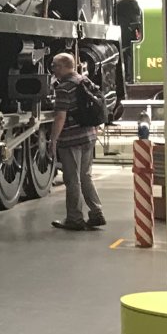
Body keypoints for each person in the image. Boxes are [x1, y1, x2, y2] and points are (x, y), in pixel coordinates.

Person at [48, 52, 105, 231]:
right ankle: (96, 213)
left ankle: (74, 218)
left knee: (72, 180)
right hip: (88, 136)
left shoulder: (64, 88)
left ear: (65, 66)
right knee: (85, 177)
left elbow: (60, 117)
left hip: (71, 139)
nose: (53, 70)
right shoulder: (84, 81)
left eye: (55, 66)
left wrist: (53, 140)